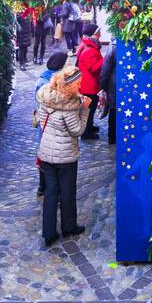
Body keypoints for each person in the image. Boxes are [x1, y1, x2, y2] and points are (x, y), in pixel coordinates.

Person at [35, 66, 90, 247]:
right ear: (68, 85)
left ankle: (48, 232)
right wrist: (85, 109)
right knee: (67, 193)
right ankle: (69, 226)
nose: (80, 87)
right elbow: (77, 130)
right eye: (78, 84)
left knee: (51, 193)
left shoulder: (45, 96)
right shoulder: (70, 106)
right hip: (65, 156)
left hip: (46, 153)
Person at [33, 51, 68, 197]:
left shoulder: (41, 78)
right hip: (54, 124)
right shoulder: (56, 83)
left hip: (44, 123)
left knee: (44, 154)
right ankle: (54, 189)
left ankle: (42, 186)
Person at [76, 22, 104, 140]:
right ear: (94, 35)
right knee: (89, 109)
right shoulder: (90, 50)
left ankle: (89, 126)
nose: (100, 35)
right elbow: (93, 68)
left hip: (89, 84)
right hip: (89, 86)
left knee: (90, 108)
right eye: (98, 33)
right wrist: (104, 60)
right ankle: (86, 132)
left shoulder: (87, 46)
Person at [99, 42, 117, 146]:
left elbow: (105, 69)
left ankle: (112, 137)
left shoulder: (114, 46)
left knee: (113, 111)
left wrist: (103, 86)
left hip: (114, 85)